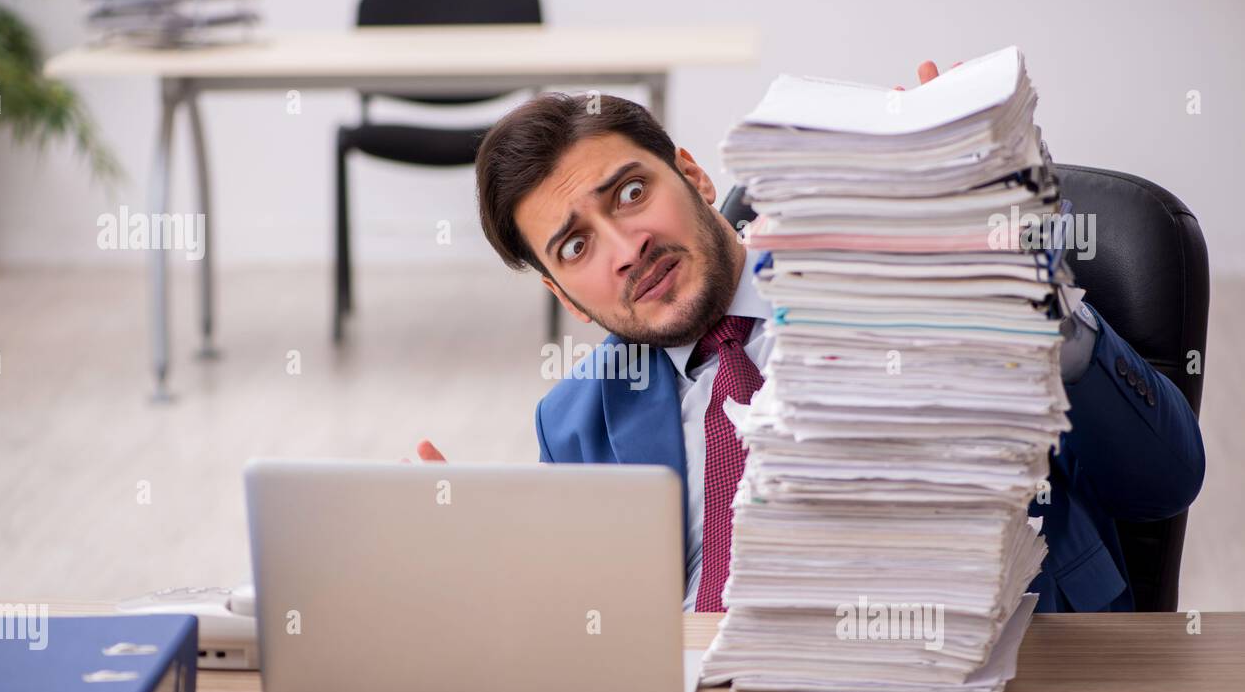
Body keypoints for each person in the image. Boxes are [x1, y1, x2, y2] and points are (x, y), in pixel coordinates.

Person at [417, 62, 1205, 613]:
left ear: (692, 175)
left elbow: (1163, 479)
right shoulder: (577, 420)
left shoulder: (910, 276)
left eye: (628, 193)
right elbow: (601, 630)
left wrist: (1020, 293)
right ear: (566, 298)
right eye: (577, 246)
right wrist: (500, 581)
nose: (626, 248)